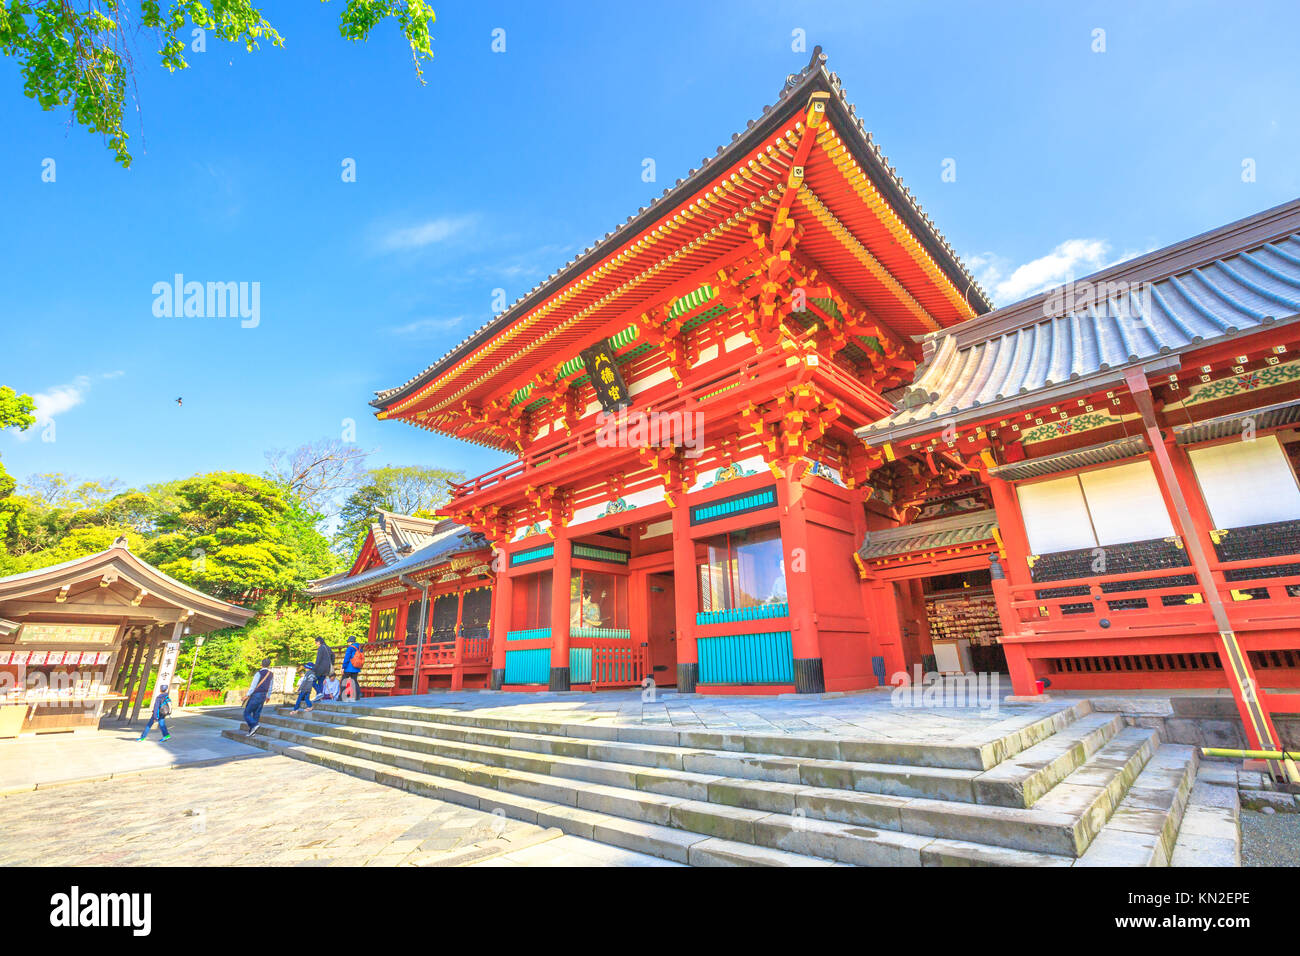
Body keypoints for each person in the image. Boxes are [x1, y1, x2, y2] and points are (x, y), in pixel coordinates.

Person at [242, 658, 274, 736]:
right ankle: (252, 732)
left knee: (246, 713)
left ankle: (254, 725)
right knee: (256, 713)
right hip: (264, 695)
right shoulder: (271, 674)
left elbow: (253, 686)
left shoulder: (258, 673)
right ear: (269, 665)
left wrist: (247, 695)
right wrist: (268, 696)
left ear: (261, 664)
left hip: (256, 695)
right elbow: (270, 686)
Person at [341, 636, 363, 701]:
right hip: (356, 667)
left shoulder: (350, 648)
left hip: (349, 667)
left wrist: (343, 667)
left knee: (343, 681)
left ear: (350, 642)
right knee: (355, 681)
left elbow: (347, 658)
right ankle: (357, 696)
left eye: (348, 642)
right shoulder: (359, 648)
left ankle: (342, 696)